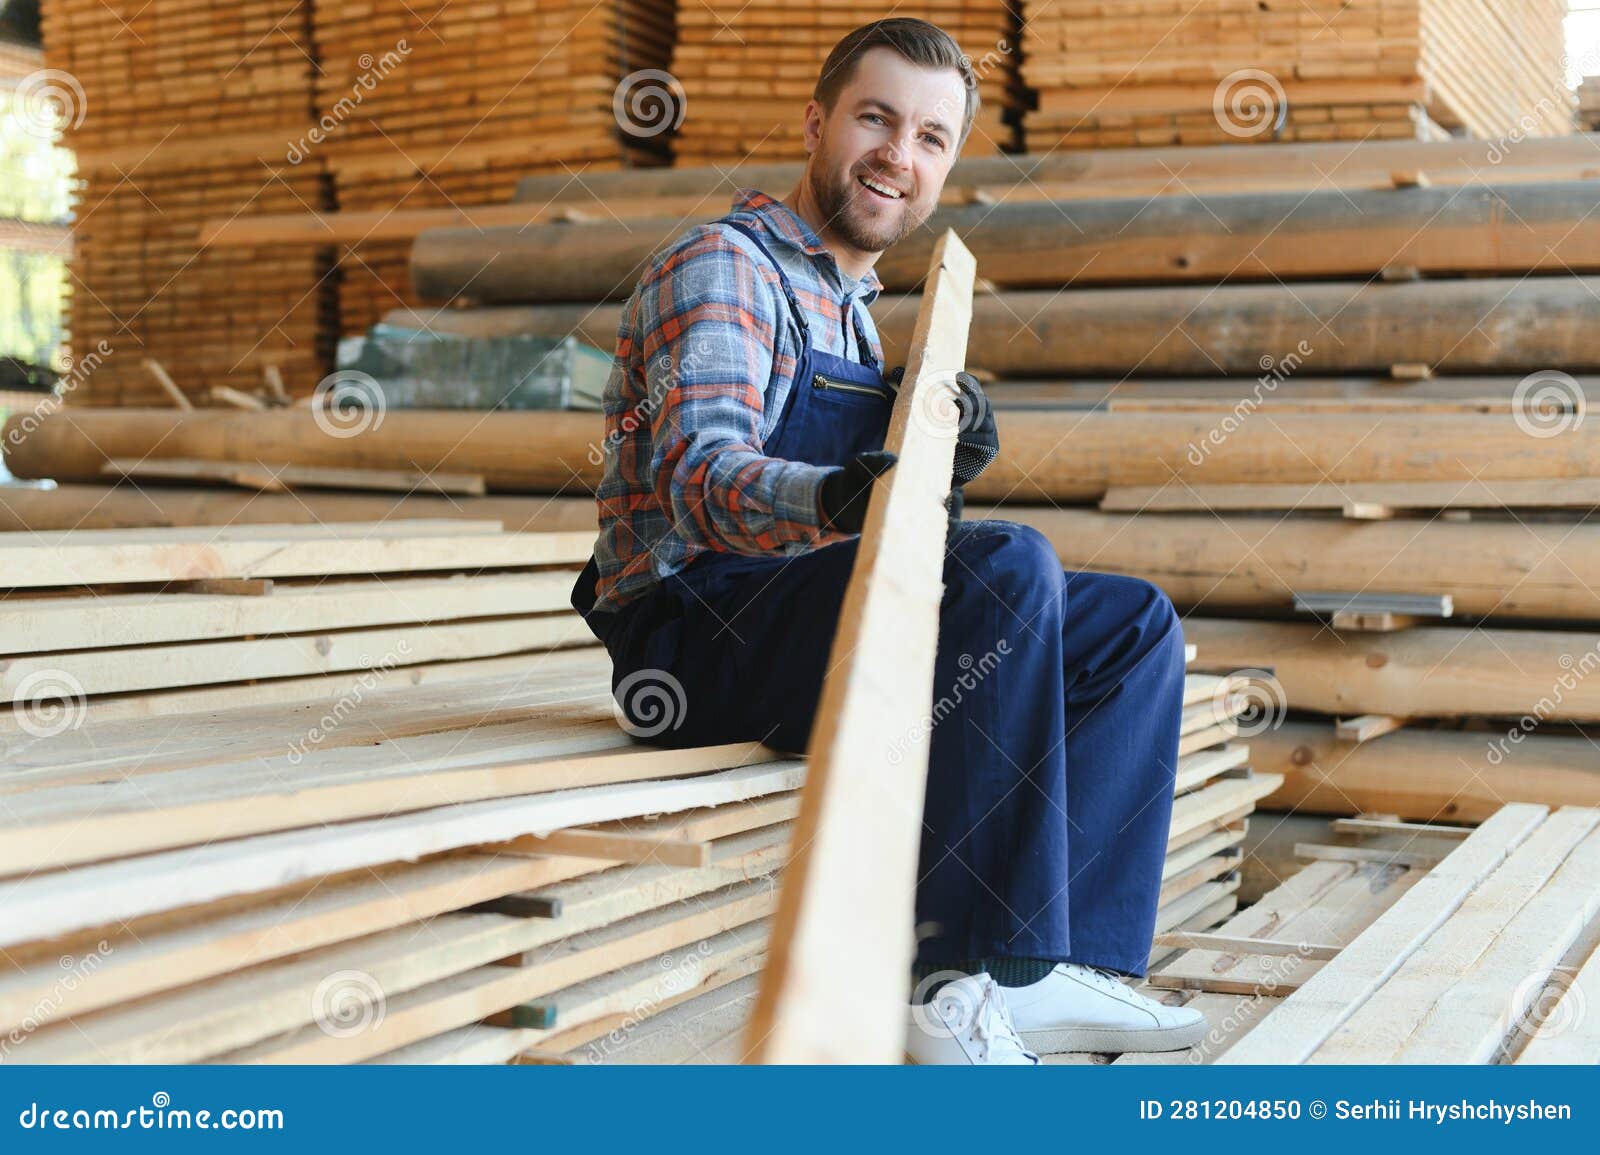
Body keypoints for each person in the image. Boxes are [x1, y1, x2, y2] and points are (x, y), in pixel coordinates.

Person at [571, 17, 1202, 1065]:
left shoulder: (852, 308)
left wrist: (930, 462)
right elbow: (696, 479)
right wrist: (845, 500)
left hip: (805, 606)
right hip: (693, 631)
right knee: (1008, 570)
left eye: (929, 139)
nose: (897, 157)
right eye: (875, 119)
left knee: (1131, 626)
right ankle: (942, 981)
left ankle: (1038, 973)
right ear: (819, 124)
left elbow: (862, 513)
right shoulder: (725, 268)